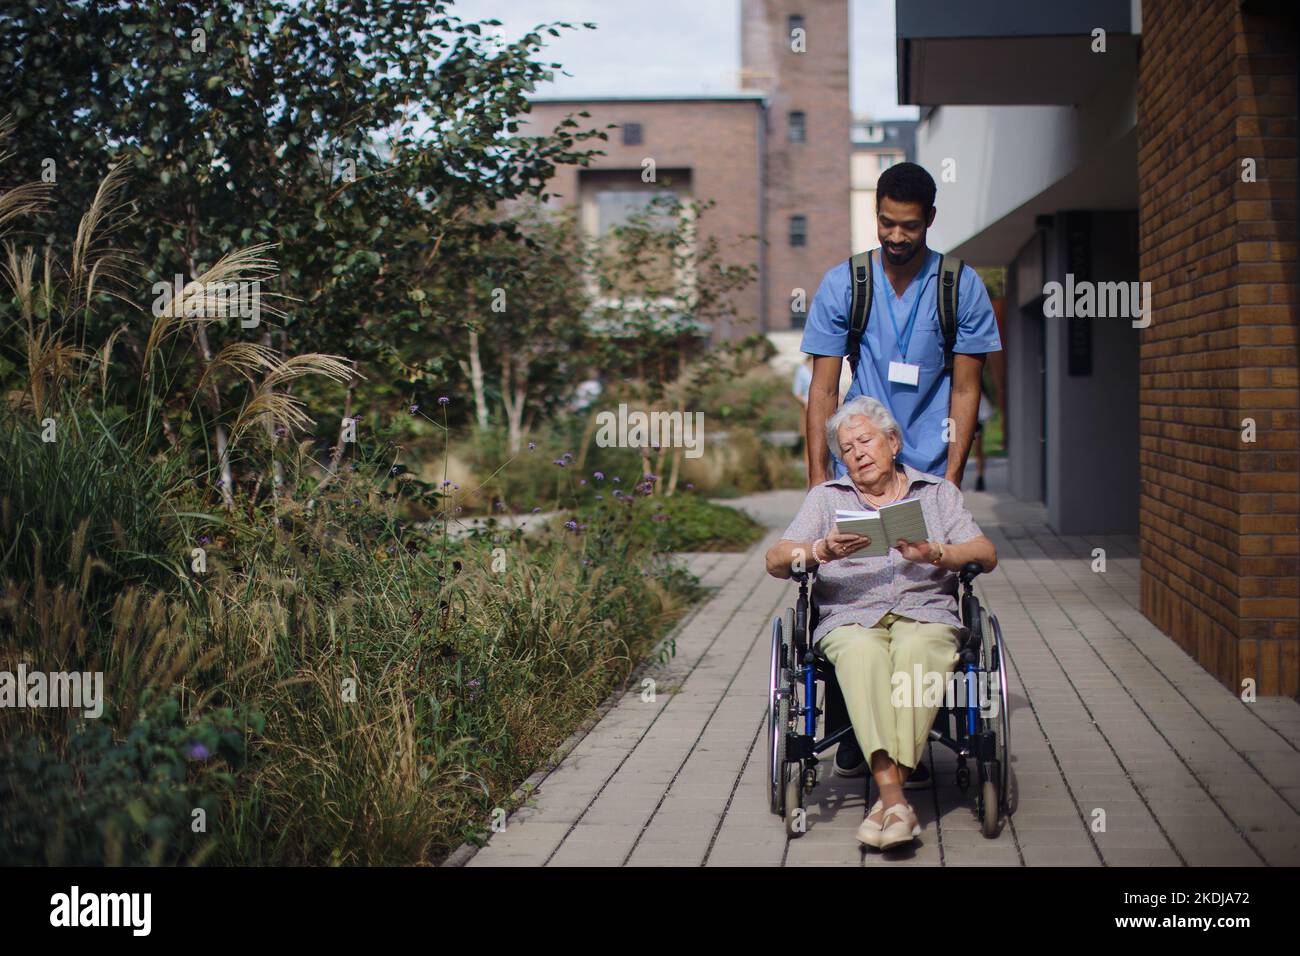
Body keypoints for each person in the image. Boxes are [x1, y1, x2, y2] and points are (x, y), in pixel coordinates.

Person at [799, 162, 1002, 783]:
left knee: (919, 592)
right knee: (854, 587)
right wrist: (818, 482)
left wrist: (953, 477)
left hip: (929, 462)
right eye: (886, 221)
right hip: (860, 461)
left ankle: (912, 727)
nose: (895, 234)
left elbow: (967, 389)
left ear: (930, 221)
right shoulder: (846, 284)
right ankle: (860, 733)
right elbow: (824, 390)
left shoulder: (958, 286)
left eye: (908, 225)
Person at [764, 396, 997, 850]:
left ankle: (887, 803)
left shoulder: (937, 494)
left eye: (866, 441)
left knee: (918, 650)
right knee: (863, 653)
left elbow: (985, 554)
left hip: (925, 612)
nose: (857, 453)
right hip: (851, 618)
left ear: (893, 442)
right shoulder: (827, 499)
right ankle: (896, 798)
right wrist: (819, 552)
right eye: (846, 449)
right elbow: (775, 560)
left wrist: (936, 553)